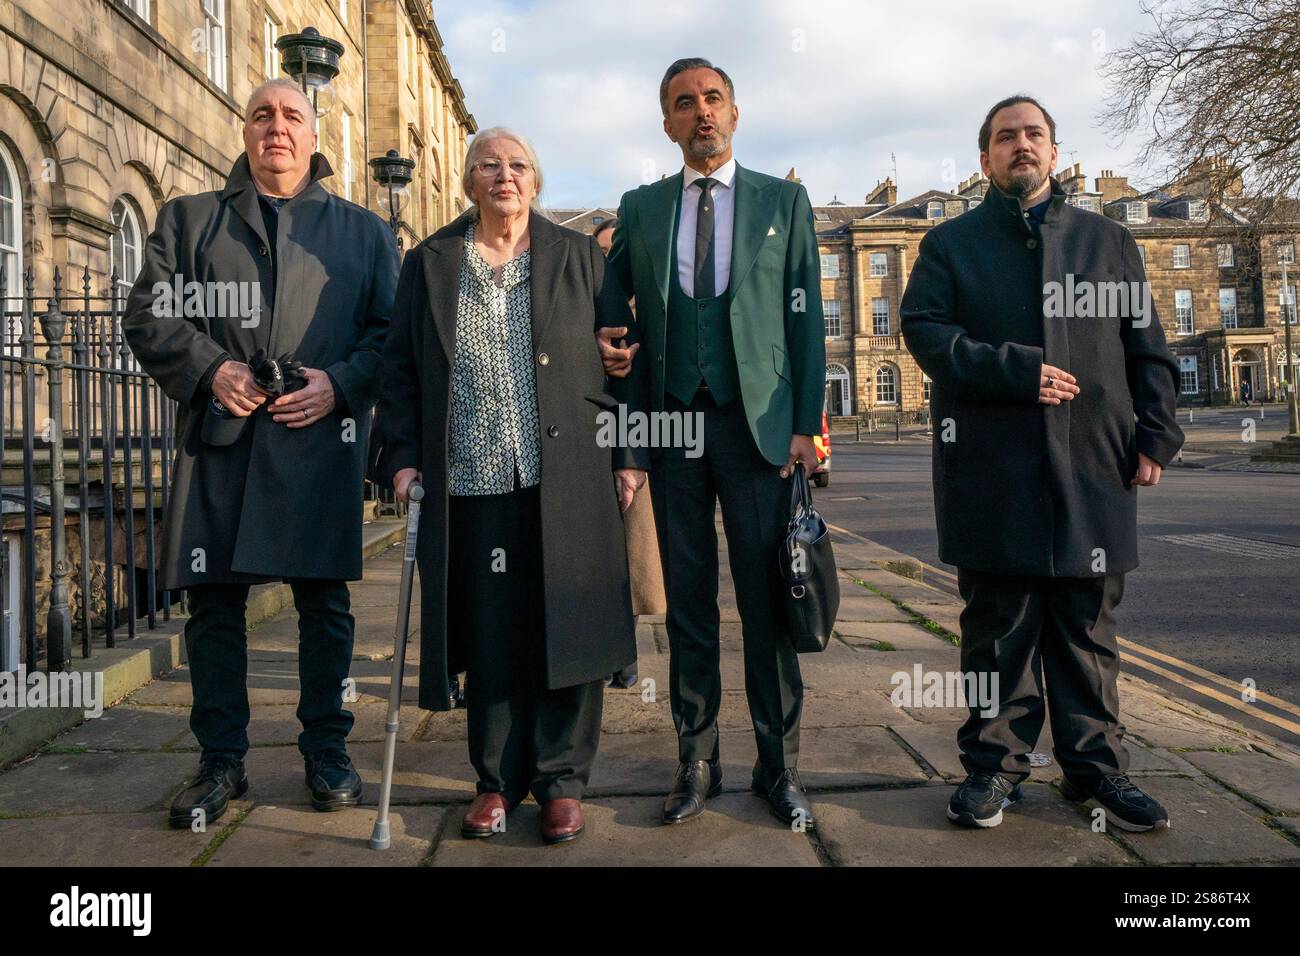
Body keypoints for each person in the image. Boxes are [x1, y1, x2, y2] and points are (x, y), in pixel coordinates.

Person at [900, 94, 1184, 832]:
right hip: (991, 466)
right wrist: (1009, 368)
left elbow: (1145, 346)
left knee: (1088, 628)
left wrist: (1157, 434)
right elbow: (925, 333)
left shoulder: (1107, 242)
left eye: (1033, 135)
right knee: (999, 626)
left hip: (1093, 460)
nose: (1020, 146)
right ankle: (994, 771)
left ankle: (1096, 773)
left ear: (1055, 153)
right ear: (986, 157)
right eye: (1004, 137)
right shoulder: (950, 245)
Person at [122, 78, 398, 828]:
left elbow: (390, 337)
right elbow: (147, 312)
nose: (276, 127)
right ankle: (220, 762)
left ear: (315, 137)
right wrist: (216, 368)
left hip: (318, 438)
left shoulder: (366, 232)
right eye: (261, 115)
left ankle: (326, 750)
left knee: (325, 606)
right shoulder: (189, 220)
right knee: (213, 608)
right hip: (222, 440)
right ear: (245, 133)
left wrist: (339, 386)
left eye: (291, 116)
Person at [376, 127, 649, 846]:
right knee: (491, 631)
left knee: (568, 618)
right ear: (468, 181)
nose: (505, 175)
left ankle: (561, 782)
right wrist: (400, 459)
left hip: (565, 471)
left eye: (518, 165)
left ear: (536, 182)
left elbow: (625, 356)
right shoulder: (431, 262)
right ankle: (496, 781)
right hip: (470, 475)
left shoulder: (578, 257)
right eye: (489, 165)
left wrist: (627, 454)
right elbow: (399, 369)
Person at [601, 58, 826, 828]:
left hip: (758, 424)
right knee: (688, 605)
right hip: (670, 426)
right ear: (667, 123)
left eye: (713, 99)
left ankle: (779, 765)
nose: (701, 112)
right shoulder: (641, 206)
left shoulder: (785, 201)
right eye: (684, 103)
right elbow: (613, 309)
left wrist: (805, 426)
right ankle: (695, 761)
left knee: (767, 601)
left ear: (736, 111)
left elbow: (804, 321)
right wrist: (617, 363)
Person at [593, 216, 666, 691]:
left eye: (612, 253)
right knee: (593, 556)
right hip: (587, 434)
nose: (606, 261)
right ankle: (604, 651)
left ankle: (623, 653)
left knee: (631, 558)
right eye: (601, 252)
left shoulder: (637, 305)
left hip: (635, 433)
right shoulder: (585, 297)